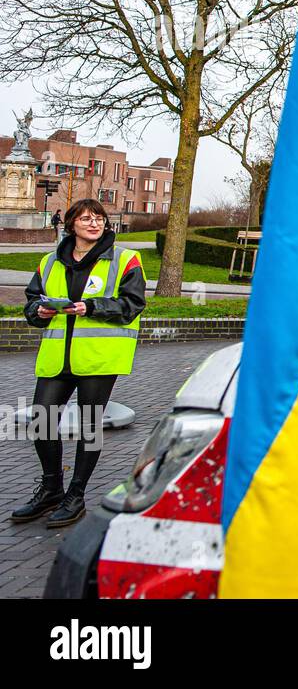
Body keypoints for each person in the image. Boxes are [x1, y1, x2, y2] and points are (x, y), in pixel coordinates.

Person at [9, 198, 146, 528]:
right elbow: (32, 302)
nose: (94, 223)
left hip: (98, 359)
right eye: (86, 218)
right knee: (41, 420)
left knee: (89, 427)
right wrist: (38, 312)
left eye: (99, 218)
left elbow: (133, 303)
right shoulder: (50, 261)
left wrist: (90, 307)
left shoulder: (125, 259)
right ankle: (52, 487)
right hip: (58, 358)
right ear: (71, 224)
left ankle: (76, 494)